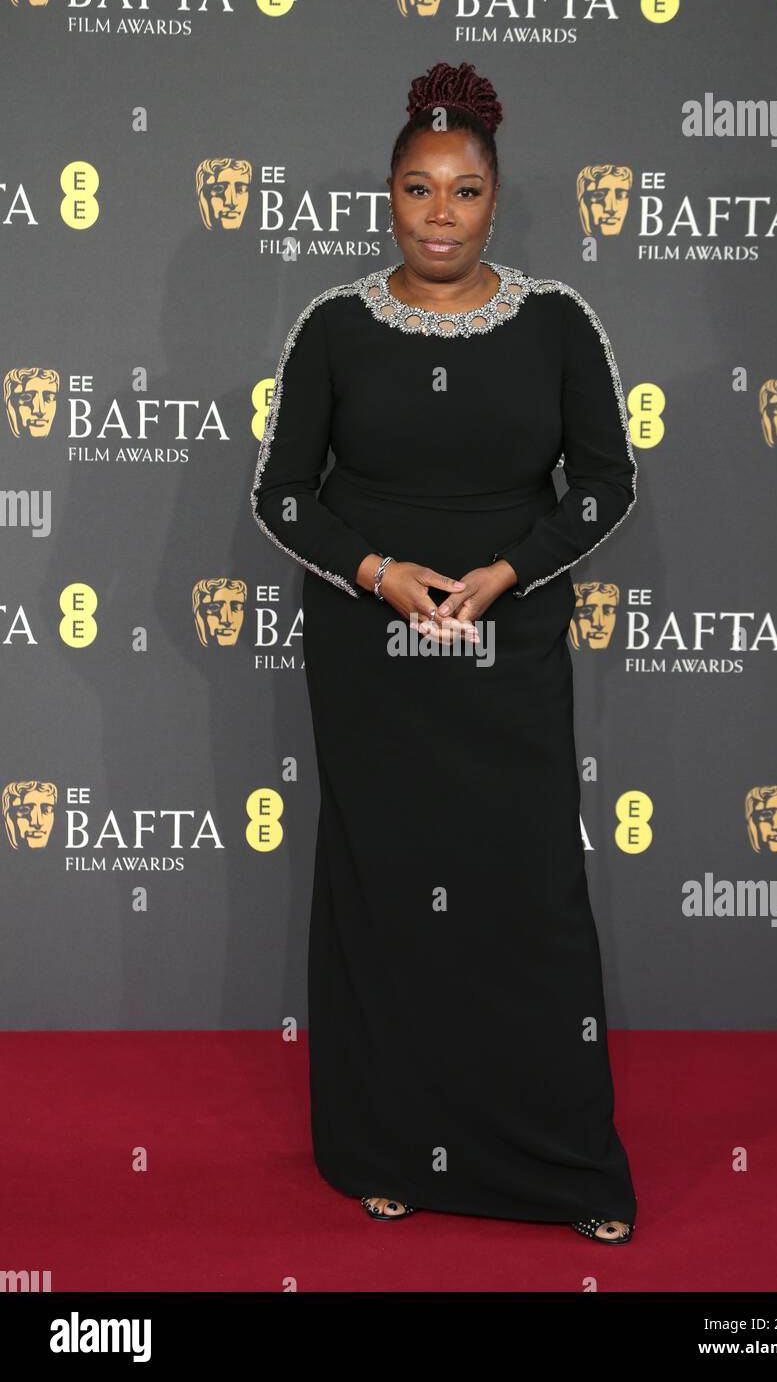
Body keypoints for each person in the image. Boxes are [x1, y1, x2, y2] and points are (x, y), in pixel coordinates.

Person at [251, 61, 639, 1244]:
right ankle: (388, 1146)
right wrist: (376, 573)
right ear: (388, 198)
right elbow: (282, 497)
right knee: (390, 897)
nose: (437, 212)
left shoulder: (559, 323)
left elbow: (604, 484)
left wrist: (508, 571)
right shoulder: (332, 328)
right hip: (373, 663)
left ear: (493, 201)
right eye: (416, 188)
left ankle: (561, 1168)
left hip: (507, 652)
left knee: (527, 899)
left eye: (462, 192)